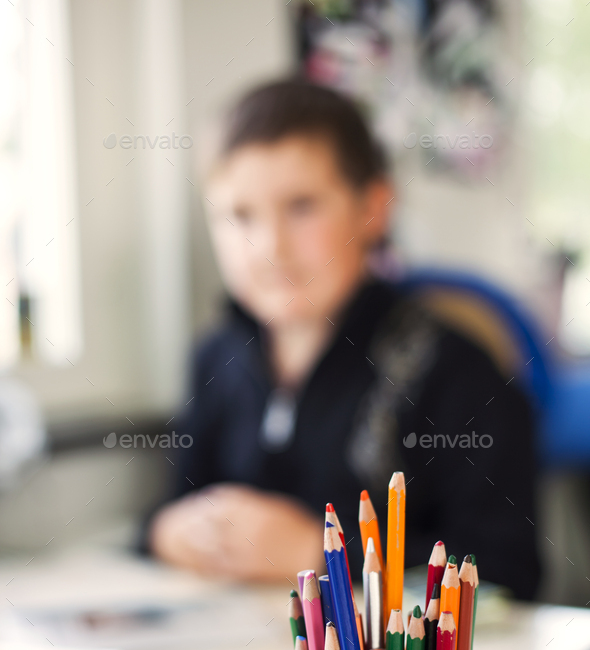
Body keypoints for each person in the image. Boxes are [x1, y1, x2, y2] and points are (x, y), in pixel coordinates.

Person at [149, 79, 540, 599]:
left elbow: (505, 569)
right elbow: (179, 505)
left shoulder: (458, 372)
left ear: (372, 208)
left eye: (302, 206)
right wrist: (166, 534)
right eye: (239, 216)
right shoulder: (215, 358)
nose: (271, 247)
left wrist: (321, 554)